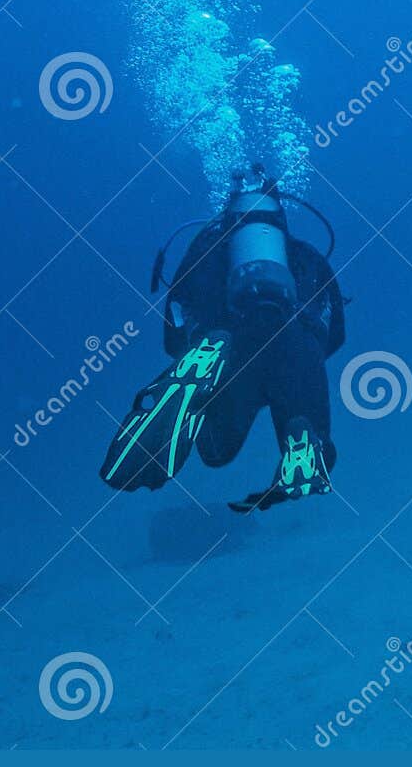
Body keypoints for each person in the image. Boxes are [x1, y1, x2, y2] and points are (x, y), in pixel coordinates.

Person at [101, 164, 345, 514]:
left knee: (216, 453)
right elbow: (336, 336)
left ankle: (203, 366)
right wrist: (300, 361)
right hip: (298, 347)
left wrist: (204, 344)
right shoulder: (308, 257)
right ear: (282, 219)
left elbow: (172, 339)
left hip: (230, 352)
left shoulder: (205, 249)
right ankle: (300, 435)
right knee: (309, 425)